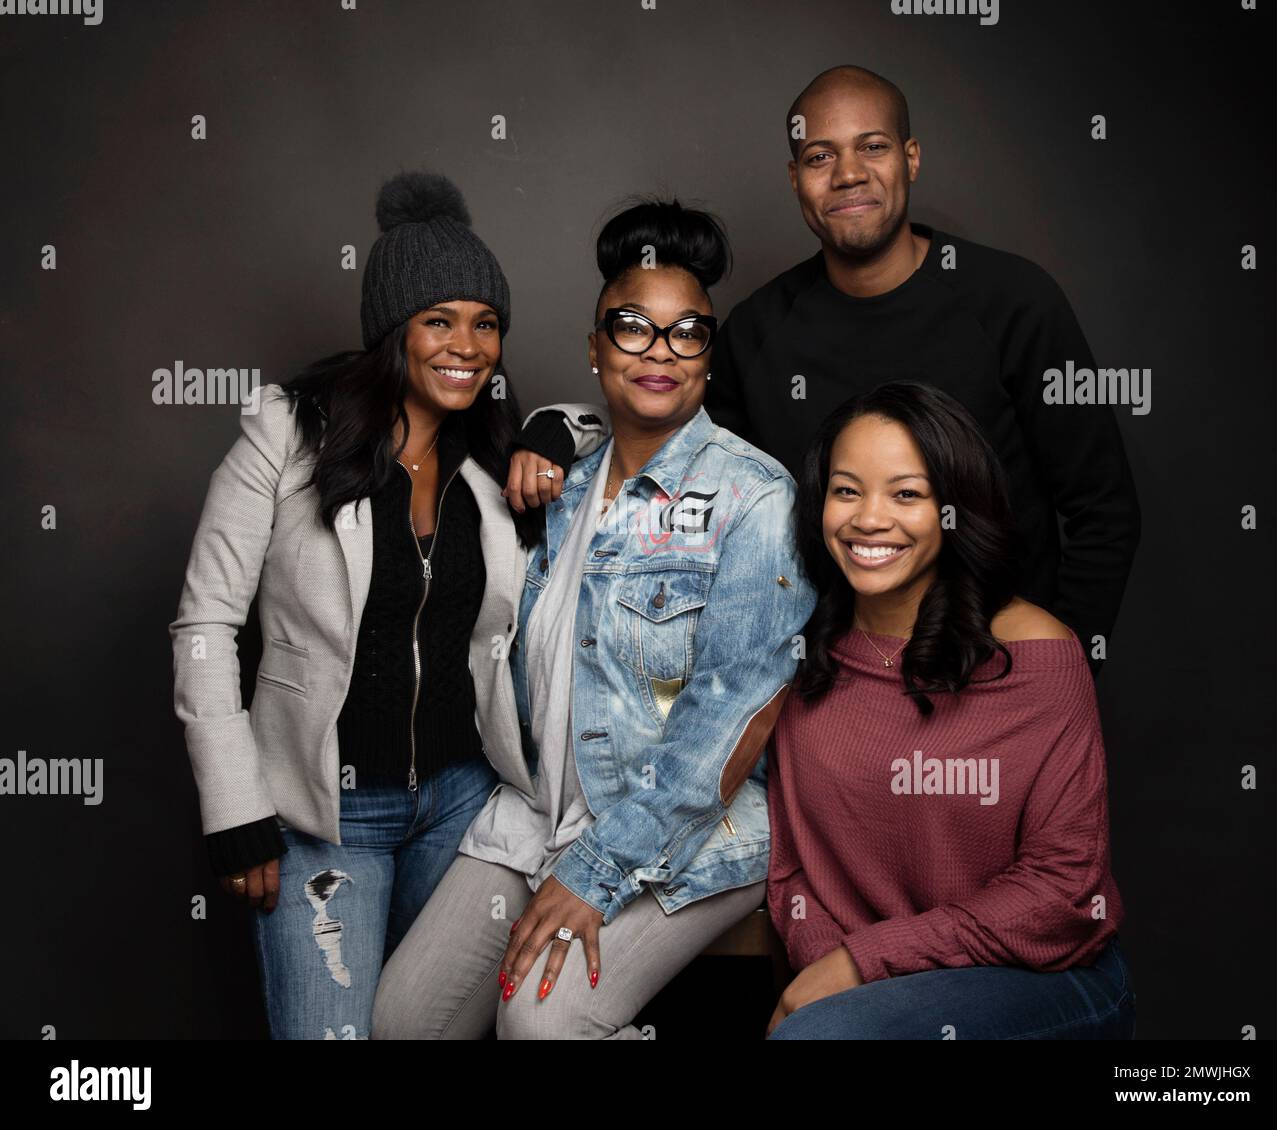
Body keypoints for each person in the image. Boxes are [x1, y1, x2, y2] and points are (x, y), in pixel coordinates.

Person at [168, 170, 608, 1039]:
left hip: (462, 806)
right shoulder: (288, 432)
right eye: (438, 321)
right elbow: (206, 625)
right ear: (390, 332)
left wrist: (554, 429)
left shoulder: (493, 451)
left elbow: (611, 413)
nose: (467, 345)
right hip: (325, 817)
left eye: (486, 325)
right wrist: (233, 807)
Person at [515, 64, 1141, 674]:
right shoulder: (758, 331)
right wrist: (562, 429)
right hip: (826, 686)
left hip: (993, 671)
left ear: (911, 157)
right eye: (819, 156)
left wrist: (1059, 670)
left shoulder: (1012, 302)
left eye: (872, 146)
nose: (847, 174)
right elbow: (671, 454)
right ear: (795, 178)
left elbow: (1102, 509)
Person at [370, 199, 817, 1040]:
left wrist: (598, 868)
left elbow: (731, 720)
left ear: (708, 356)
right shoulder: (555, 484)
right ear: (594, 346)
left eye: (688, 333)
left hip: (688, 826)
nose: (660, 353)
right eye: (632, 328)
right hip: (535, 813)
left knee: (541, 1023)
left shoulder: (755, 498)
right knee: (403, 1022)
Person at [765, 381, 1134, 1039]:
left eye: (906, 494)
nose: (869, 519)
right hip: (876, 989)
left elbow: (1063, 887)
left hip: (1039, 978)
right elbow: (791, 867)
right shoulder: (805, 650)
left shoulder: (1036, 657)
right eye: (847, 490)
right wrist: (828, 971)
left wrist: (861, 965)